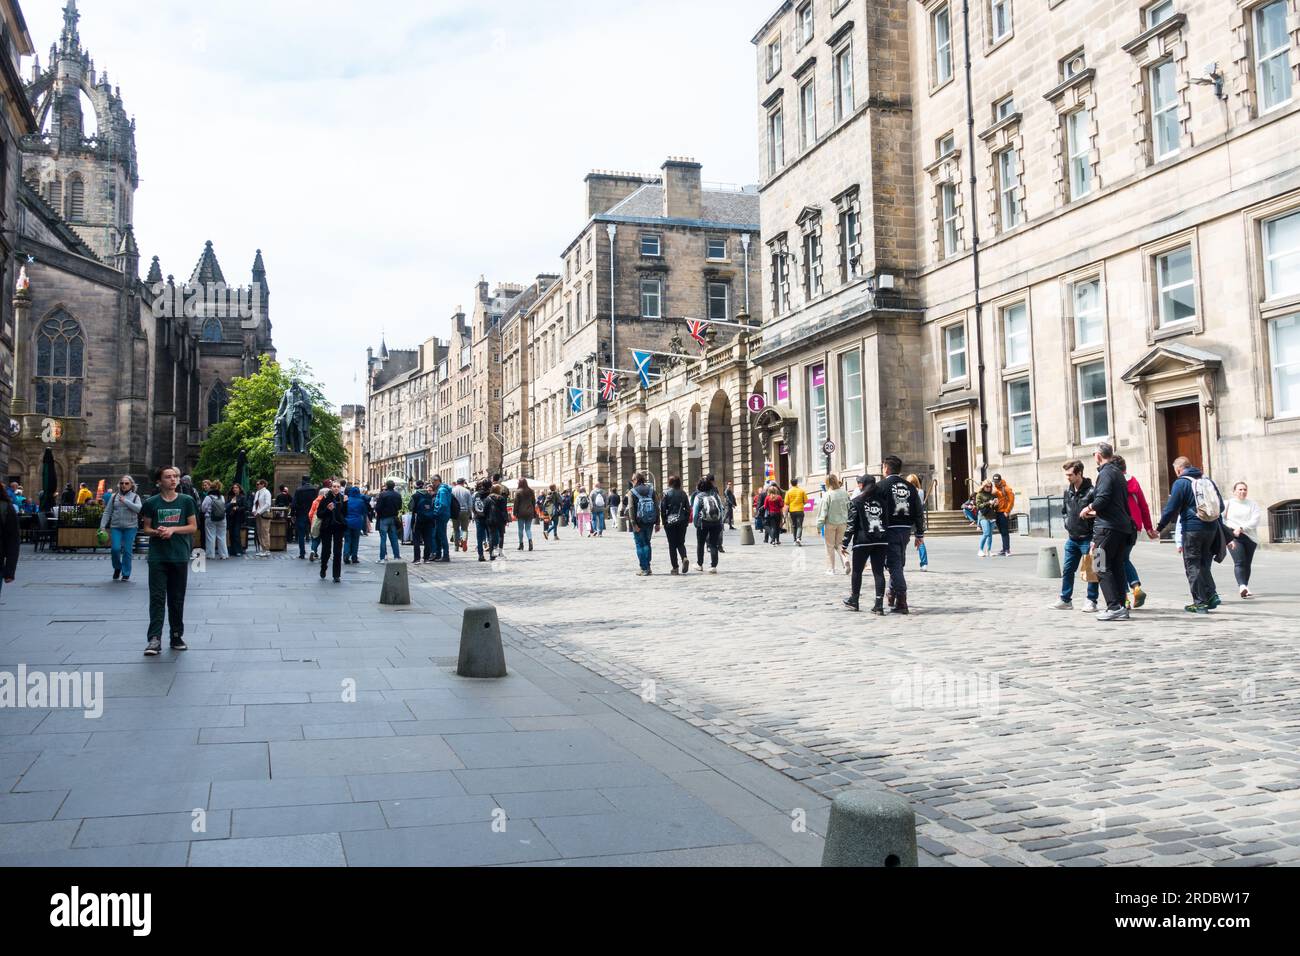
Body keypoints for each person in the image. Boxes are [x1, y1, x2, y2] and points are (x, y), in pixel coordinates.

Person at [1157, 457, 1231, 613]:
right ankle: (1211, 595)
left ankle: (1200, 602)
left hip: (1192, 529)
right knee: (1204, 563)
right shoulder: (1207, 480)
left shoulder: (1181, 483)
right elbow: (1221, 506)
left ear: (1178, 470)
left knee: (1192, 565)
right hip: (1211, 528)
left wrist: (1159, 528)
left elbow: (1171, 508)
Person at [139, 466, 198, 655]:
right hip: (158, 556)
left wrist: (173, 530)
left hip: (179, 555)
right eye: (168, 477)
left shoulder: (186, 501)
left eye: (175, 477)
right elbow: (146, 528)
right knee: (156, 598)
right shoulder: (151, 502)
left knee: (176, 598)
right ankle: (154, 639)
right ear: (159, 481)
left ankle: (176, 635)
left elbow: (192, 527)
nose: (173, 480)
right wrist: (158, 532)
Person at [1080, 443, 1137, 622]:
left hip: (1107, 527)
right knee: (1116, 566)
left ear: (1098, 455)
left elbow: (1103, 498)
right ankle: (1120, 604)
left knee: (1099, 565)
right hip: (1121, 527)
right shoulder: (1119, 473)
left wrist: (1088, 507)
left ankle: (1114, 606)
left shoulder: (1105, 473)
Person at [879, 456, 926, 615]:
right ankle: (892, 593)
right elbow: (918, 512)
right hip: (905, 529)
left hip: (889, 529)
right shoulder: (910, 487)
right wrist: (919, 533)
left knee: (893, 564)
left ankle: (902, 599)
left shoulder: (882, 486)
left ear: (886, 468)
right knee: (898, 561)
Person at [1053, 460, 1099, 613]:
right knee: (1067, 569)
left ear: (1079, 473)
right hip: (1072, 538)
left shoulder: (1091, 491)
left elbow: (1099, 514)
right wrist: (1067, 522)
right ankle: (1065, 599)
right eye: (1066, 475)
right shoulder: (1068, 491)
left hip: (1088, 537)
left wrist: (1094, 536)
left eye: (1070, 474)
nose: (1068, 477)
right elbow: (1064, 510)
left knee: (1092, 571)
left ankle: (1091, 600)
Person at [1113, 456, 1158, 609]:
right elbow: (1144, 506)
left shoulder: (1112, 481)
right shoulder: (1134, 481)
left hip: (1119, 525)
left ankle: (1124, 597)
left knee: (1117, 561)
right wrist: (1149, 527)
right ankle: (1136, 588)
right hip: (1135, 527)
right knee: (1124, 558)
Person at [842, 475, 889, 613]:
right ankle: (879, 604)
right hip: (881, 539)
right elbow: (887, 520)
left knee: (857, 571)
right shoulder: (883, 501)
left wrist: (845, 543)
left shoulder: (856, 501)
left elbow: (851, 524)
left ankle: (854, 599)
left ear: (862, 485)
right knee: (878, 572)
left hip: (863, 540)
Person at [99, 475, 143, 582]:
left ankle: (126, 573)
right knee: (115, 549)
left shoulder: (135, 497)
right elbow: (107, 512)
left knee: (127, 551)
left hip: (130, 527)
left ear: (131, 485)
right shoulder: (114, 497)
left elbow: (139, 509)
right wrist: (102, 526)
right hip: (116, 527)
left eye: (126, 483)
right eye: (122, 483)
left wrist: (125, 501)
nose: (124, 485)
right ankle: (117, 567)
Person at [1225, 481, 1262, 599]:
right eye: (1240, 489)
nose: (1243, 492)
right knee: (1239, 561)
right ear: (1234, 491)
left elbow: (1255, 520)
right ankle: (1242, 586)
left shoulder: (1252, 504)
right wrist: (1229, 532)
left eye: (1244, 489)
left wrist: (1241, 528)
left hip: (1250, 537)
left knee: (1247, 563)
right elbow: (1221, 519)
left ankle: (1245, 586)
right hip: (1233, 537)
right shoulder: (1228, 503)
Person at [816, 474, 850, 576]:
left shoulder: (827, 495)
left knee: (829, 546)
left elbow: (822, 512)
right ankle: (845, 560)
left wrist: (819, 526)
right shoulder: (845, 493)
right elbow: (849, 507)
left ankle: (831, 569)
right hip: (843, 523)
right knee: (840, 544)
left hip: (830, 523)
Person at [314, 481, 347, 583]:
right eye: (334, 487)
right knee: (326, 550)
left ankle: (336, 575)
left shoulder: (342, 498)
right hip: (327, 527)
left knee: (337, 551)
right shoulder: (325, 498)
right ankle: (323, 568)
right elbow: (319, 514)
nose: (336, 488)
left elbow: (345, 513)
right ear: (331, 488)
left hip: (339, 527)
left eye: (338, 487)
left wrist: (345, 504)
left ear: (340, 488)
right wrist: (328, 509)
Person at [628, 473, 660, 576]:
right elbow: (656, 507)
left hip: (638, 522)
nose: (632, 482)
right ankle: (648, 566)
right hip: (650, 521)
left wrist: (633, 524)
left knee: (640, 544)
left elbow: (631, 509)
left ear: (636, 480)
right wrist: (658, 522)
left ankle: (644, 568)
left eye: (632, 480)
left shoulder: (632, 492)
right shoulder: (651, 490)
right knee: (647, 543)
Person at [660, 476, 692, 575]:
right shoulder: (683, 493)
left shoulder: (666, 494)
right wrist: (686, 521)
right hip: (682, 521)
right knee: (681, 543)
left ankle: (675, 568)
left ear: (670, 483)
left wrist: (664, 521)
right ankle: (684, 557)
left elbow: (662, 509)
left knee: (672, 545)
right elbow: (688, 509)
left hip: (670, 522)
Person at [693, 477, 725, 574]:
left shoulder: (698, 497)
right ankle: (713, 566)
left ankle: (699, 564)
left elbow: (695, 512)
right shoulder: (715, 495)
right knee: (713, 544)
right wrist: (720, 521)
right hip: (716, 523)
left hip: (703, 523)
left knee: (701, 543)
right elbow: (721, 509)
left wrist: (696, 523)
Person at [374, 480, 403, 562]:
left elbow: (378, 507)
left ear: (386, 486)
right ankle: (396, 556)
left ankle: (382, 558)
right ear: (394, 486)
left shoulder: (383, 495)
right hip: (393, 518)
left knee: (383, 539)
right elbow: (400, 506)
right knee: (394, 538)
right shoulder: (397, 495)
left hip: (384, 518)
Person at [0, 484, 21, 601]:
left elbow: (13, 540)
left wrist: (9, 571)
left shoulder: (5, 508)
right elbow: (14, 540)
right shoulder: (6, 507)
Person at [201, 480, 230, 561]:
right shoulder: (222, 497)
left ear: (211, 488)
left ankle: (210, 554)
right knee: (222, 536)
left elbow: (203, 508)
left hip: (210, 518)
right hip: (222, 518)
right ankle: (224, 554)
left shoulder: (208, 497)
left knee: (210, 536)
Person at [906, 474, 930, 571]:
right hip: (918, 518)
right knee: (920, 541)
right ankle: (924, 563)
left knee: (902, 541)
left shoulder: (906, 492)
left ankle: (899, 562)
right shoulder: (921, 492)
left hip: (907, 518)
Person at [292, 476, 319, 560]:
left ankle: (302, 553)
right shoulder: (314, 490)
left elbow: (294, 504)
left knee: (301, 535)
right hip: (312, 515)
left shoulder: (298, 490)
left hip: (301, 514)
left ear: (302, 481)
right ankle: (314, 551)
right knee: (314, 534)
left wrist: (293, 514)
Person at [431, 476, 454, 562]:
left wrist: (436, 512)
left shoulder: (442, 490)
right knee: (437, 535)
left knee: (442, 535)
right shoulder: (442, 489)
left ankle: (446, 555)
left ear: (437, 481)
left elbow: (443, 504)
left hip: (441, 515)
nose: (432, 484)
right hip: (442, 514)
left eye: (433, 482)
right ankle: (438, 554)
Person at [343, 485, 367, 565]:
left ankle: (346, 555)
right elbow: (364, 512)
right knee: (355, 540)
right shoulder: (361, 501)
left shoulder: (347, 500)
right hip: (357, 522)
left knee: (347, 540)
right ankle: (354, 557)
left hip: (347, 522)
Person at [992, 474, 1015, 556]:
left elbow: (1011, 501)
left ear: (1000, 481)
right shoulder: (996, 489)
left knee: (1005, 532)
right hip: (997, 512)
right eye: (994, 482)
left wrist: (1007, 511)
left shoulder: (1006, 489)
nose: (996, 483)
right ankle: (1004, 548)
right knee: (1001, 532)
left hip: (1003, 513)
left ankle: (1007, 549)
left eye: (997, 482)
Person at [488, 477, 510, 559]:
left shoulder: (488, 498)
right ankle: (500, 552)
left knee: (491, 536)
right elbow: (504, 510)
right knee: (501, 535)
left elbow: (486, 509)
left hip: (490, 519)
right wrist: (506, 519)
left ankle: (491, 553)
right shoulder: (501, 498)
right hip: (500, 519)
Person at [975, 480, 998, 557]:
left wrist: (996, 503)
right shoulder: (979, 495)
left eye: (990, 486)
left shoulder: (992, 495)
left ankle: (989, 550)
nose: (989, 488)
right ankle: (980, 550)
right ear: (983, 486)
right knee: (986, 533)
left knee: (990, 535)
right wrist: (988, 503)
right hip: (983, 516)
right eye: (987, 486)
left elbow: (995, 507)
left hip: (992, 516)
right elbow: (978, 506)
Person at [251, 479, 273, 557]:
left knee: (265, 532)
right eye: (256, 484)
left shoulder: (267, 492)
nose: (257, 485)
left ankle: (267, 549)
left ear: (263, 484)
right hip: (257, 514)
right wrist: (254, 511)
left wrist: (259, 512)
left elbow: (267, 504)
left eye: (258, 484)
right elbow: (255, 503)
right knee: (259, 532)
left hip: (264, 514)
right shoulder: (257, 492)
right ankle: (262, 548)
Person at [513, 479, 537, 551]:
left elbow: (516, 503)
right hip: (529, 512)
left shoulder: (518, 492)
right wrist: (533, 511)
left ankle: (521, 544)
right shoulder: (531, 491)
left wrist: (514, 512)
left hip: (521, 512)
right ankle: (530, 541)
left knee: (520, 529)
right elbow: (533, 502)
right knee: (528, 529)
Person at [227, 483, 249, 557]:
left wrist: (237, 508)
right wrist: (230, 505)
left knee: (236, 534)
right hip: (230, 517)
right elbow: (227, 506)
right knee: (231, 534)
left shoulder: (242, 497)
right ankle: (232, 550)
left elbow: (246, 507)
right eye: (233, 488)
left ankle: (238, 550)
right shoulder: (230, 497)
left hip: (238, 517)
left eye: (236, 488)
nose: (235, 489)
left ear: (239, 489)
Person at [452, 479, 474, 553]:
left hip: (455, 511)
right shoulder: (467, 491)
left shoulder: (452, 490)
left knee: (456, 529)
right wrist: (470, 513)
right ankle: (464, 540)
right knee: (464, 529)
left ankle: (456, 546)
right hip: (464, 511)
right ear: (463, 483)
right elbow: (470, 503)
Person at [785, 478, 808, 546]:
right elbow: (806, 501)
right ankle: (798, 538)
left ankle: (795, 540)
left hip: (792, 510)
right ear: (797, 483)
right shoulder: (801, 491)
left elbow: (786, 502)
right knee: (799, 525)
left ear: (791, 483)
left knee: (794, 525)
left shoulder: (789, 492)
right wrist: (802, 504)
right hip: (800, 510)